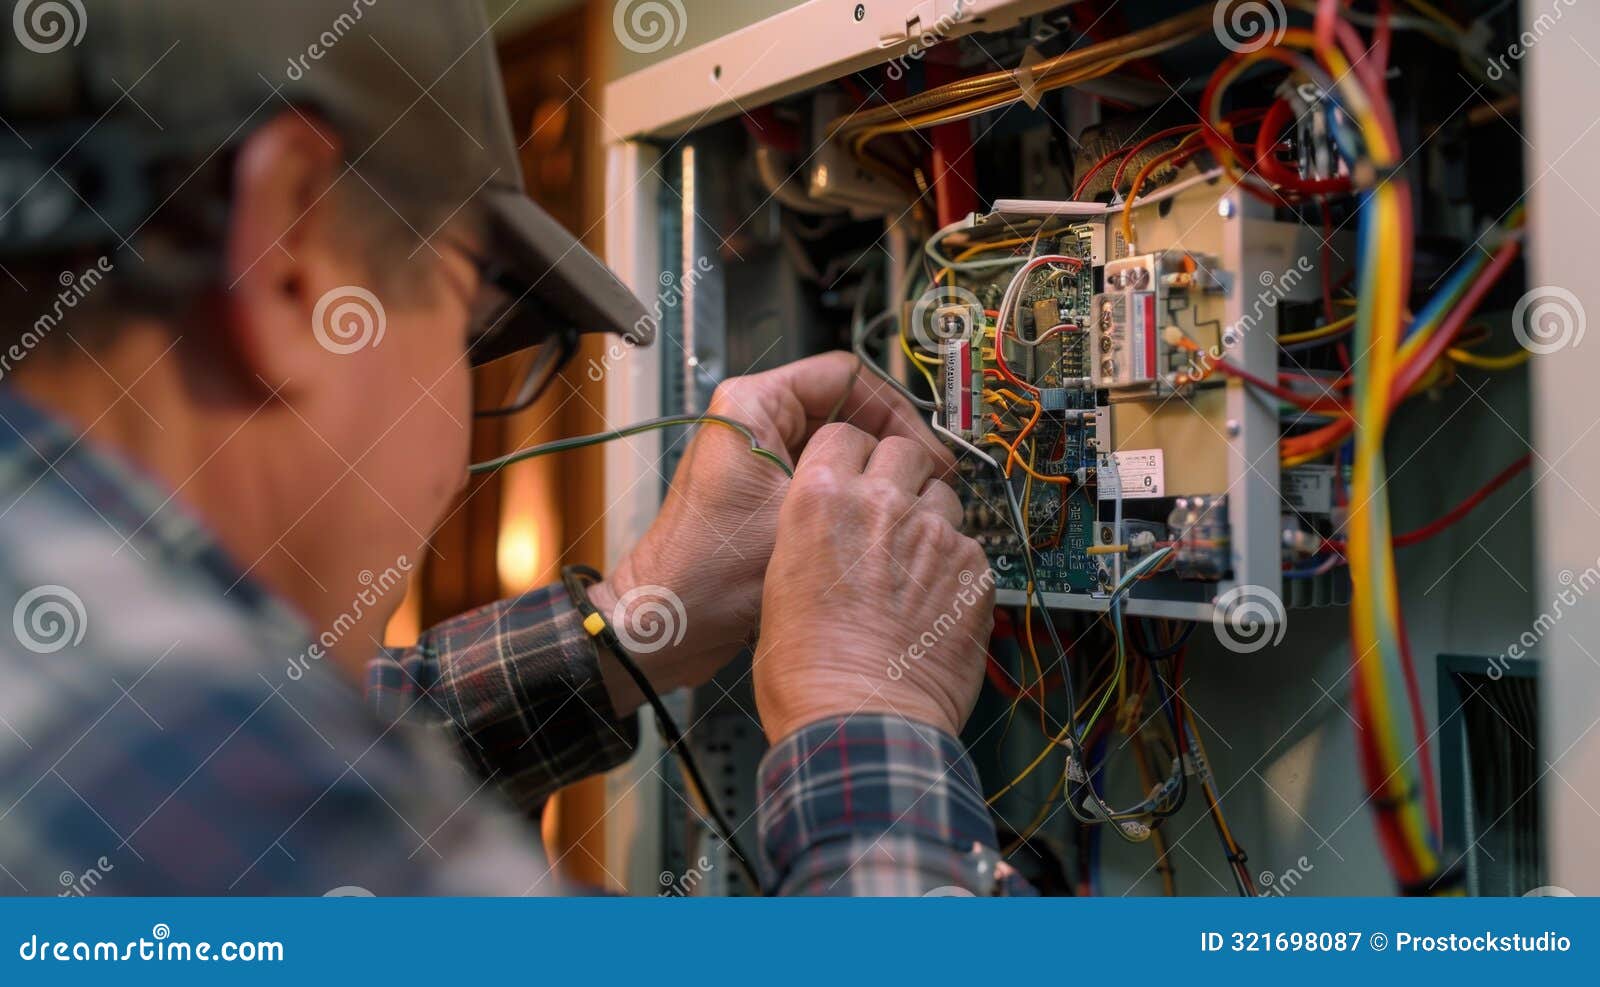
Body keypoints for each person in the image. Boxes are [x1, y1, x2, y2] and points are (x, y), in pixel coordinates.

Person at [0, 0, 1000, 896]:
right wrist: (864, 714)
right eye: (472, 327)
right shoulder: (218, 792)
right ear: (292, 260)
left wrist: (630, 626)